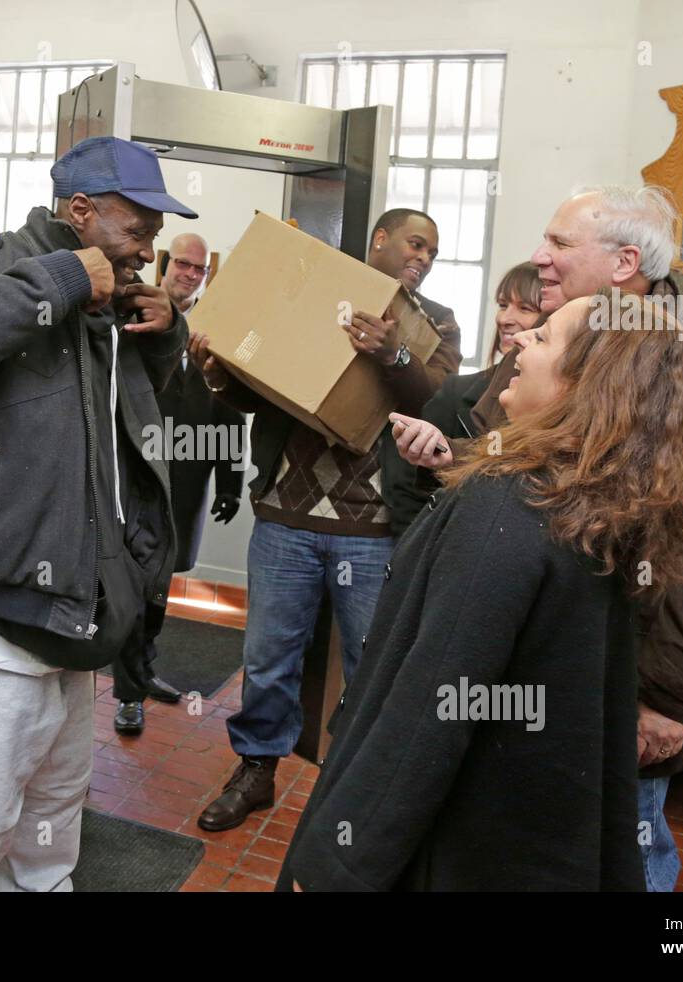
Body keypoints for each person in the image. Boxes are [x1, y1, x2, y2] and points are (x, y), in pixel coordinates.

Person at [390, 185, 683, 893]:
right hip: (517, 661)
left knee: (614, 853)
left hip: (613, 683)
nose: (539, 258)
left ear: (625, 261)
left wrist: (666, 698)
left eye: (560, 245)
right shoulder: (563, 333)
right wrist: (450, 458)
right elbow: (505, 451)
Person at [279, 292, 683, 891]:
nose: (518, 341)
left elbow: (432, 708)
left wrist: (337, 866)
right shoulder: (598, 505)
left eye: (543, 338)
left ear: (588, 380)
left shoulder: (504, 503)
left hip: (459, 838)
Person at [0, 136, 196, 891]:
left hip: (70, 621)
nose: (149, 250)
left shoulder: (110, 301)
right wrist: (58, 277)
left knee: (49, 834)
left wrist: (164, 335)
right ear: (80, 212)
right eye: (138, 229)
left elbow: (115, 444)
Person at [187, 207, 462, 832]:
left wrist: (395, 355)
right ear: (381, 240)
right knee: (267, 657)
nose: (423, 258)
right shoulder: (320, 293)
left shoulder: (434, 324)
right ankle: (256, 771)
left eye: (434, 253)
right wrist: (218, 375)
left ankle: (359, 790)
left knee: (371, 665)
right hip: (286, 515)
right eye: (416, 244)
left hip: (371, 530)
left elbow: (440, 408)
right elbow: (264, 387)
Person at [112, 231, 244, 734]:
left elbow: (230, 411)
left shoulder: (215, 330)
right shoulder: (136, 317)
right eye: (182, 265)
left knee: (162, 587)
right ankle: (128, 694)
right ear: (164, 265)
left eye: (199, 269)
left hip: (189, 484)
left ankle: (144, 673)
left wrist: (231, 481)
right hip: (141, 480)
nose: (189, 274)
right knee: (134, 588)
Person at [384, 261, 543, 535]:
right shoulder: (457, 392)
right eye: (503, 305)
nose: (505, 318)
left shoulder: (562, 405)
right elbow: (406, 486)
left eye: (525, 308)